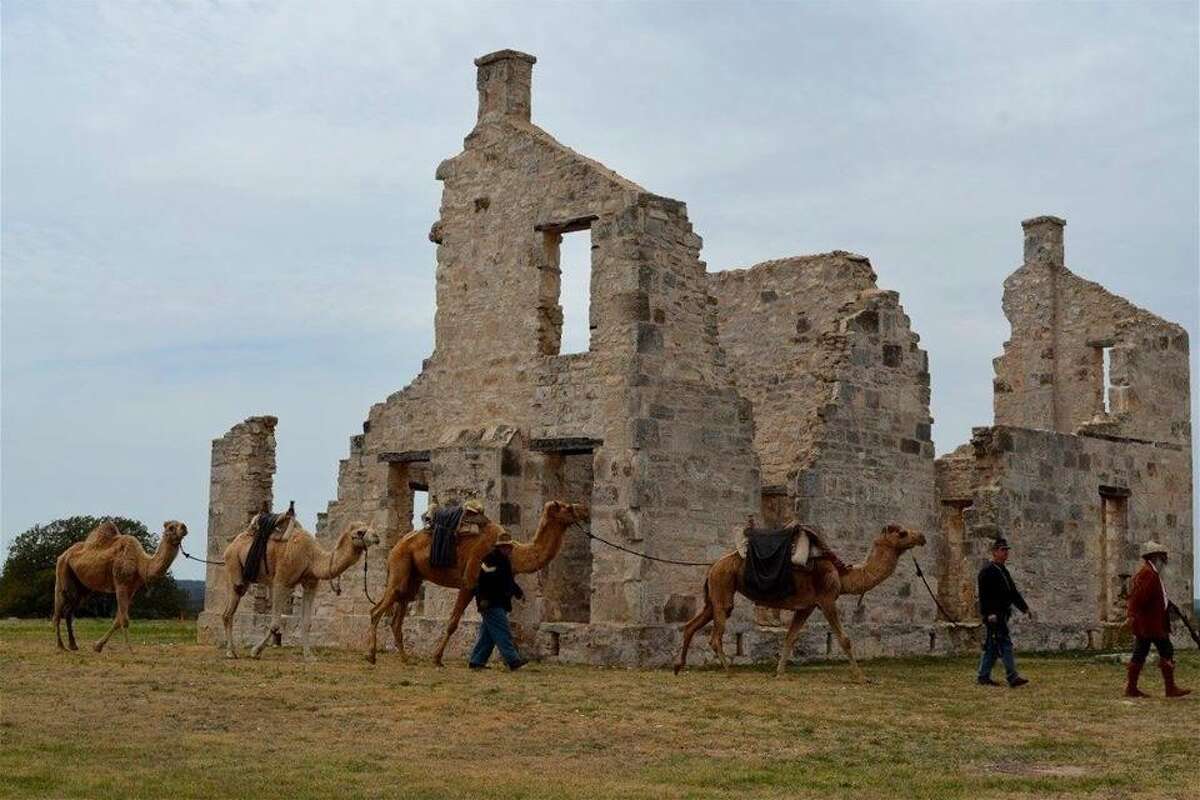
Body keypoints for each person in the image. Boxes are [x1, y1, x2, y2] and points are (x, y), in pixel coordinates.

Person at [1124, 540, 1190, 698]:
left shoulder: (1151, 573)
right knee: (1166, 650)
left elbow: (1153, 596)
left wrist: (1168, 604)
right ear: (1156, 558)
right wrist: (1131, 615)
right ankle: (1170, 688)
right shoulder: (1148, 574)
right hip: (1151, 624)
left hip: (1149, 624)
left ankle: (1132, 688)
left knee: (1140, 653)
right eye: (1163, 558)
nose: (1165, 562)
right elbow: (1138, 598)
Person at [468, 530, 527, 671]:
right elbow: (483, 582)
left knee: (488, 635)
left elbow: (508, 581)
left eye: (509, 547)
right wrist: (483, 599)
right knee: (502, 631)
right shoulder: (489, 560)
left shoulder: (505, 561)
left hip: (499, 602)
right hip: (490, 603)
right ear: (499, 547)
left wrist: (519, 593)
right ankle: (513, 660)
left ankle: (476, 661)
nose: (508, 549)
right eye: (505, 547)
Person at [976, 537, 1031, 688]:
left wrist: (1024, 608)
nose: (1005, 553)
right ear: (994, 552)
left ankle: (983, 676)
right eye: (1002, 550)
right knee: (1005, 643)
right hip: (994, 616)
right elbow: (984, 595)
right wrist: (989, 613)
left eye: (1006, 550)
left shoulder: (1003, 571)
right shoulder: (987, 571)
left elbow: (1012, 593)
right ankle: (1012, 677)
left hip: (1002, 614)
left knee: (992, 647)